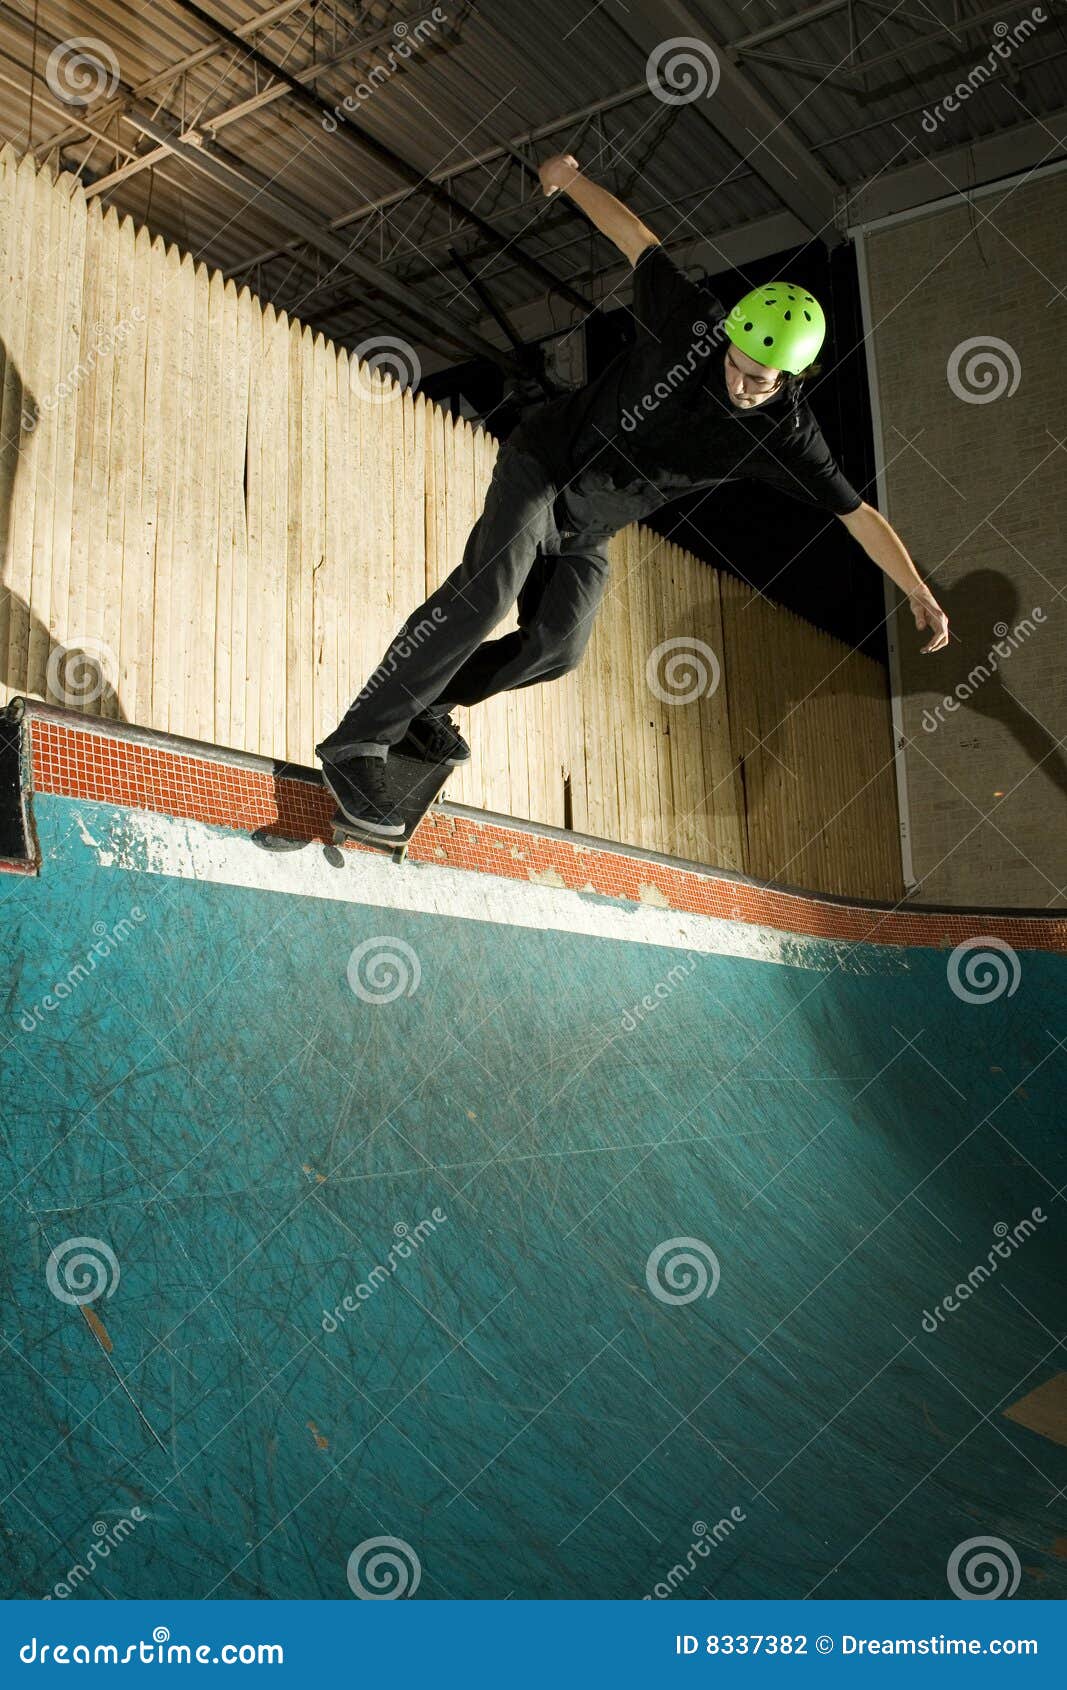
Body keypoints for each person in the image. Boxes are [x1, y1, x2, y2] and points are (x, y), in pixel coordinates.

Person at [317, 152, 950, 838]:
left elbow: (856, 515)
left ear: (793, 378)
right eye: (738, 367)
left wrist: (914, 590)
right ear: (729, 340)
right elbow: (636, 242)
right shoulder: (693, 324)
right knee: (487, 592)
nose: (742, 385)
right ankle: (357, 742)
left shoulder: (789, 437)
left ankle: (430, 704)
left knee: (558, 647)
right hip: (545, 466)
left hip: (588, 528)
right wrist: (570, 181)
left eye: (762, 381)